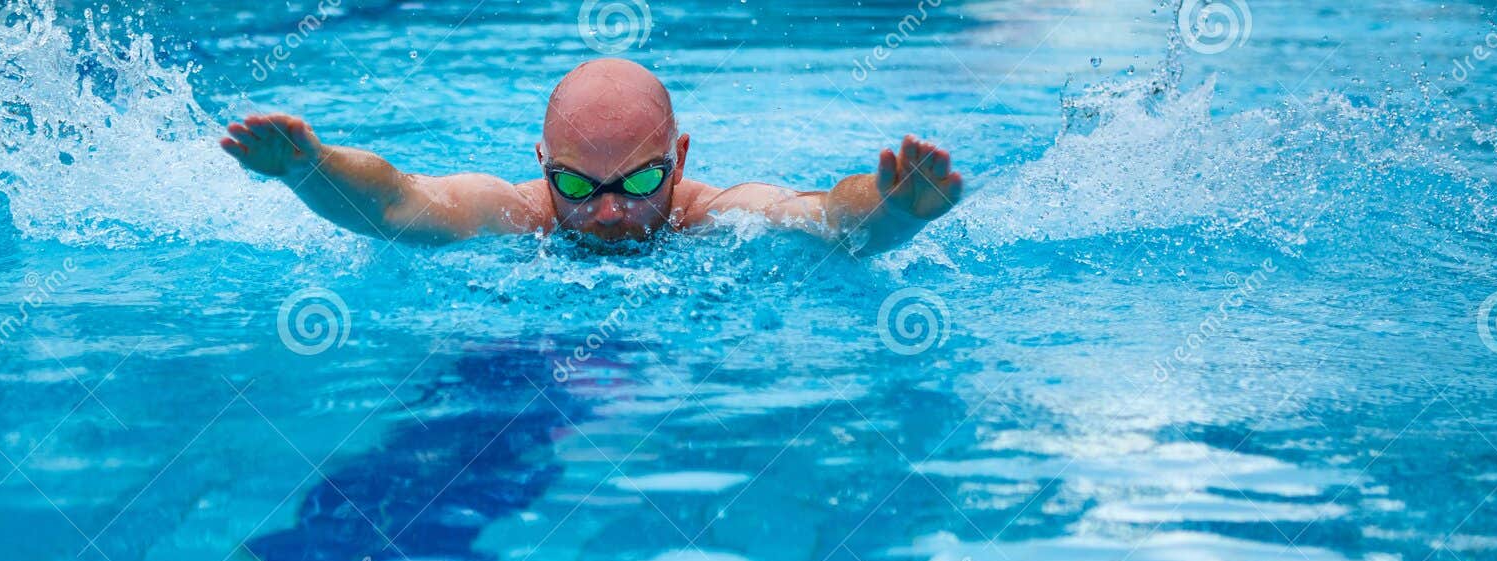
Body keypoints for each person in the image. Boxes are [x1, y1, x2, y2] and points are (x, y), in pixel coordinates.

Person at [219, 58, 962, 254]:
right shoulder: (518, 214)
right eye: (577, 185)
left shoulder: (712, 216)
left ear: (680, 159)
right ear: (542, 163)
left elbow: (826, 218)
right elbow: (398, 203)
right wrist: (312, 170)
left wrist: (895, 212)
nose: (609, 212)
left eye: (641, 181)